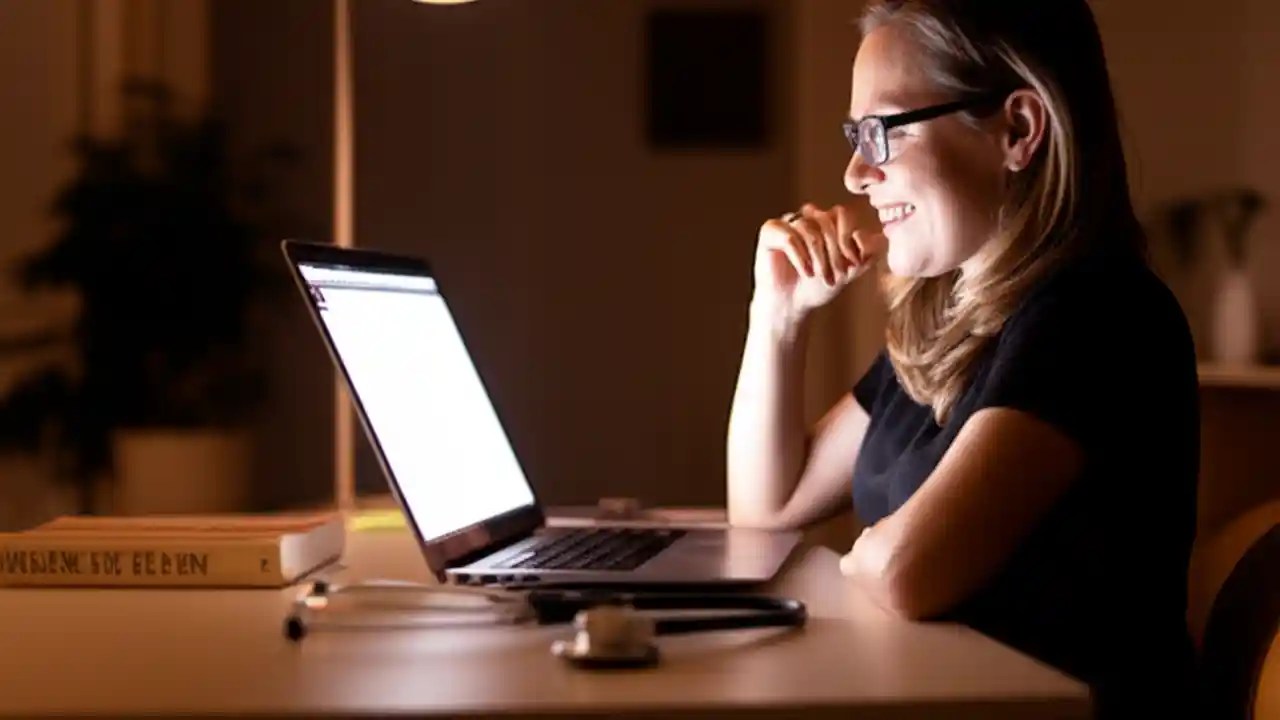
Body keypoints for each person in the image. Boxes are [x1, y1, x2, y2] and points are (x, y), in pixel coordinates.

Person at [724, 1, 1201, 717]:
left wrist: (867, 555)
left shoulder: (1096, 314)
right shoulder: (948, 328)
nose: (855, 173)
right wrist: (777, 317)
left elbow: (906, 572)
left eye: (882, 132)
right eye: (856, 135)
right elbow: (767, 510)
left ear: (1018, 128)